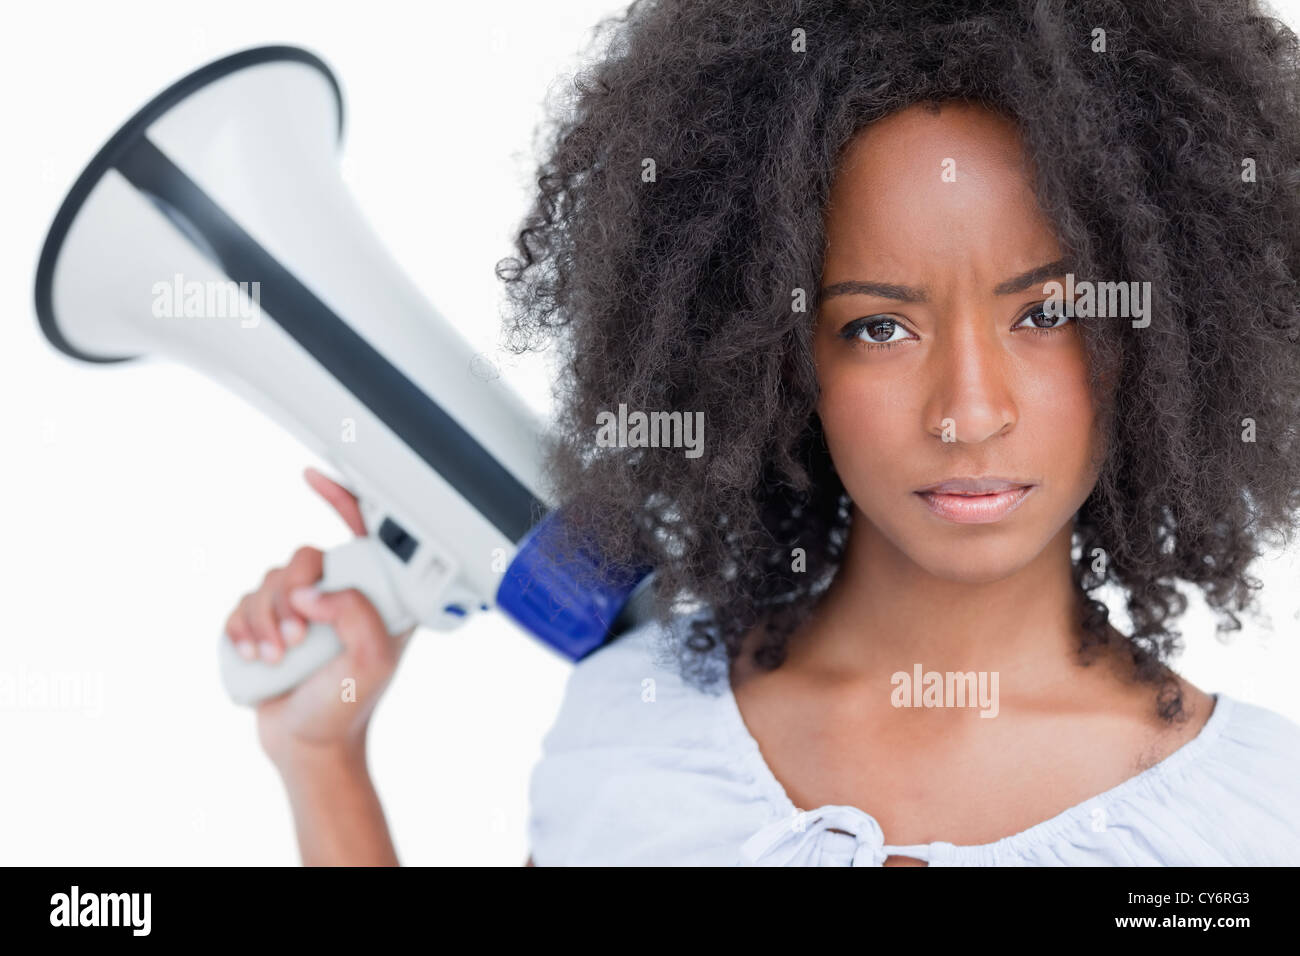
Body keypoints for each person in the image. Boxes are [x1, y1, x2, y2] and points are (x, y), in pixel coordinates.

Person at [224, 0, 1300, 865]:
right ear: (777, 358)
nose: (968, 411)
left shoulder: (1254, 823)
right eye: (878, 325)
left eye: (1045, 313)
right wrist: (324, 759)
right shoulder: (631, 731)